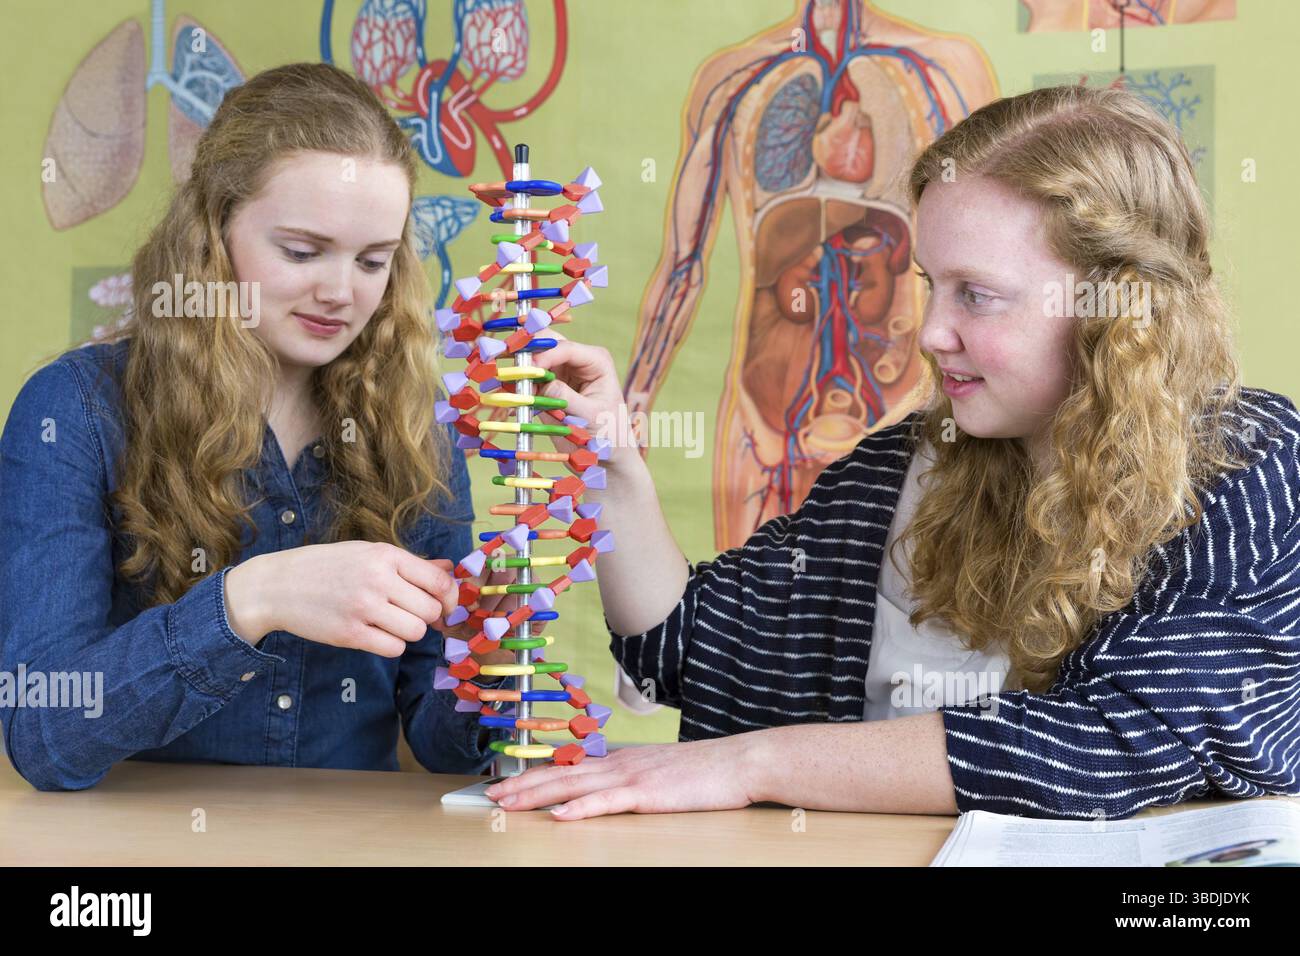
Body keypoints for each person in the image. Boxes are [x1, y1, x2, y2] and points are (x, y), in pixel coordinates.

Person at [482, 84, 1300, 821]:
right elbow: (688, 653)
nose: (932, 333)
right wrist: (614, 468)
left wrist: (754, 765)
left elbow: (1110, 742)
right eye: (929, 284)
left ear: (1113, 308)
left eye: (976, 295)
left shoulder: (1248, 465)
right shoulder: (901, 469)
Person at [0, 62, 512, 792]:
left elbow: (441, 747)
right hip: (141, 851)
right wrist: (253, 598)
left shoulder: (417, 430)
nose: (339, 292)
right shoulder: (74, 413)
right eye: (301, 252)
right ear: (214, 235)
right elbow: (46, 737)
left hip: (351, 850)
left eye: (373, 260)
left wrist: (488, 661)